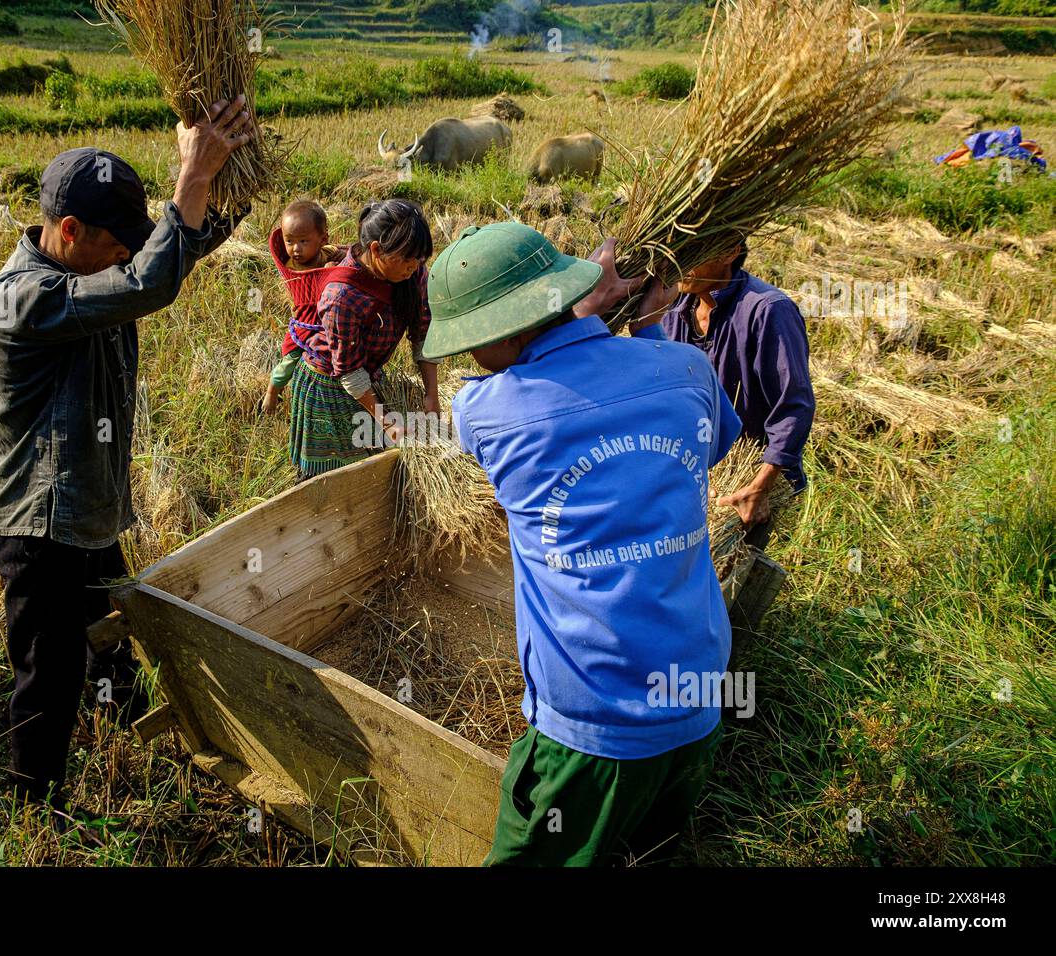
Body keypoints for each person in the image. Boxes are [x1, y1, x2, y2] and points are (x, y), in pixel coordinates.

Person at [420, 222, 741, 866]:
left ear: (504, 333)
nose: (466, 356)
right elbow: (713, 446)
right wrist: (637, 324)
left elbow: (504, 398)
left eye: (471, 341)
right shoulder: (685, 366)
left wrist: (584, 310)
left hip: (597, 722)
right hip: (702, 692)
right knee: (650, 849)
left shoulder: (485, 411)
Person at [0, 95, 256, 816]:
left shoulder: (91, 269)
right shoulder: (28, 298)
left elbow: (176, 248)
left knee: (114, 636)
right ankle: (31, 810)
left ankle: (128, 733)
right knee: (51, 671)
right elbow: (150, 281)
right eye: (116, 240)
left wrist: (228, 174)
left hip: (92, 509)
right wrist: (188, 181)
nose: (128, 252)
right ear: (68, 230)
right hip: (41, 523)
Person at [652, 238, 815, 527]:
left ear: (729, 251)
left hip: (749, 478)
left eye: (693, 251)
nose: (681, 264)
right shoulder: (673, 309)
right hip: (693, 475)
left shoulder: (768, 310)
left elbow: (793, 405)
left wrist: (760, 486)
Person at [288, 198, 439, 479]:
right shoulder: (341, 297)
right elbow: (349, 370)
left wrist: (432, 396)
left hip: (368, 376)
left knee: (378, 471)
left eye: (419, 258)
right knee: (330, 479)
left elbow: (423, 333)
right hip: (330, 387)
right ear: (376, 249)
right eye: (407, 258)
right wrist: (386, 421)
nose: (415, 266)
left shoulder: (413, 272)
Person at [260, 199, 345, 414]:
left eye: (304, 241)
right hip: (306, 323)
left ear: (322, 239)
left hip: (328, 321)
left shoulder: (326, 252)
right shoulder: (295, 267)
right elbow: (320, 281)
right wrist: (330, 270)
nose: (295, 249)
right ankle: (272, 391)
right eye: (289, 241)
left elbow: (341, 255)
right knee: (289, 362)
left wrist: (338, 258)